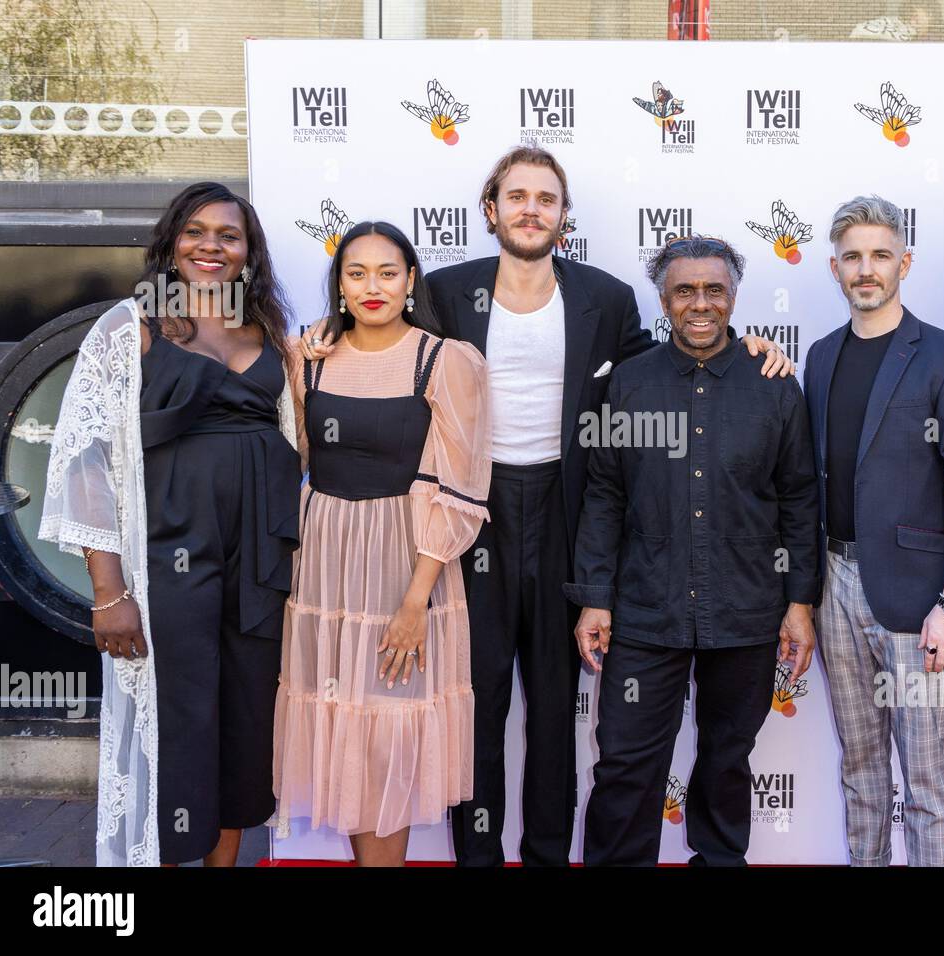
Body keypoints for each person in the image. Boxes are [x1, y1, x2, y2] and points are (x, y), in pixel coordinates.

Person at [300, 146, 793, 866]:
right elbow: (387, 337)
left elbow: (671, 364)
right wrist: (330, 334)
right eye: (518, 196)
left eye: (547, 198)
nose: (532, 209)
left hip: (568, 508)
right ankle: (477, 857)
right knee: (477, 697)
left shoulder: (607, 297)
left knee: (557, 707)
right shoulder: (444, 289)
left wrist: (750, 347)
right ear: (492, 210)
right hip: (468, 510)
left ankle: (547, 856)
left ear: (563, 216)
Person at [40, 182, 301, 866]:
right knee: (180, 717)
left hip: (259, 564)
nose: (211, 246)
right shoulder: (131, 328)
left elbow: (299, 443)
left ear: (249, 252)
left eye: (229, 235)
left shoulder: (269, 330)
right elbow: (83, 459)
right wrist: (109, 592)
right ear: (171, 242)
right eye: (196, 231)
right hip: (167, 561)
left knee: (246, 718)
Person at [566, 236, 819, 866]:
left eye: (714, 290)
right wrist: (595, 598)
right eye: (685, 291)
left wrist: (800, 603)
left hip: (747, 611)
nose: (699, 303)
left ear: (733, 297)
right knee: (625, 764)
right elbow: (604, 495)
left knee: (727, 763)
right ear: (663, 299)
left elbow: (798, 502)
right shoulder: (629, 382)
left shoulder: (775, 386)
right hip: (646, 612)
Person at [272, 221, 491, 866]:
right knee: (342, 723)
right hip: (324, 563)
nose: (373, 287)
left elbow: (460, 485)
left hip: (407, 564)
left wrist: (415, 601)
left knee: (389, 732)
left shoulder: (446, 360)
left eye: (387, 272)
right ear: (338, 284)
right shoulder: (302, 356)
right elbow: (295, 457)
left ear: (411, 280)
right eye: (357, 273)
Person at [803, 196, 944, 866]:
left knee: (925, 778)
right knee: (860, 771)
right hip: (833, 585)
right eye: (853, 257)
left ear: (904, 263)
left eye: (880, 255)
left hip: (918, 599)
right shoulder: (821, 358)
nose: (867, 269)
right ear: (834, 267)